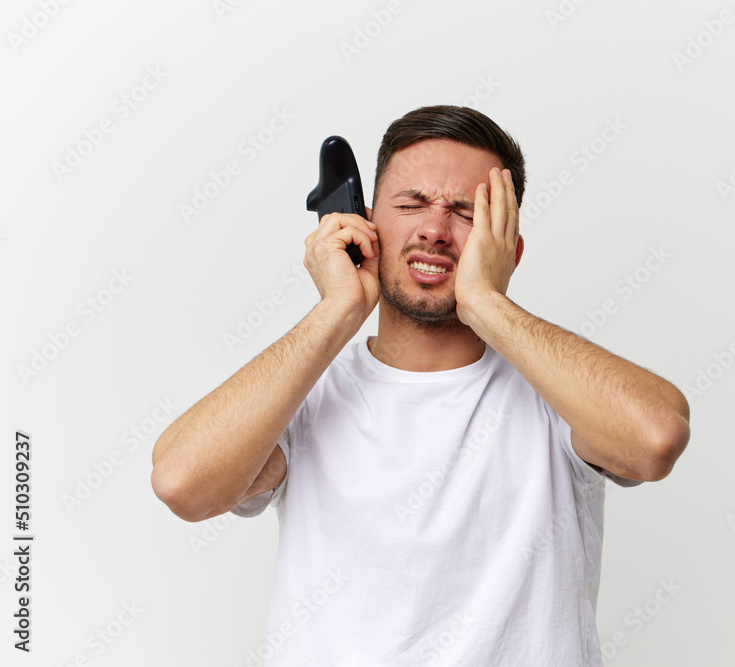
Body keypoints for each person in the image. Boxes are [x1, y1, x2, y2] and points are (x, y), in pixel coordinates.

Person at [150, 105, 691, 665]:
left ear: (507, 247)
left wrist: (485, 301)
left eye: (464, 213)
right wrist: (338, 309)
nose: (434, 229)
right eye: (411, 204)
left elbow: (655, 438)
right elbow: (181, 482)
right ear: (362, 226)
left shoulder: (558, 397)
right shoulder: (305, 397)